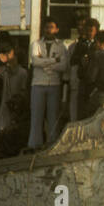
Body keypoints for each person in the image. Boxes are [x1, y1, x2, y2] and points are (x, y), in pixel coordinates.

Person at [29, 18, 68, 149]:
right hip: (38, 84)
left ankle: (52, 146)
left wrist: (46, 64)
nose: (49, 30)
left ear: (56, 29)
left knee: (53, 118)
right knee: (36, 117)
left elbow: (63, 66)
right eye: (46, 27)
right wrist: (54, 60)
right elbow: (35, 62)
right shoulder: (36, 44)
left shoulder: (61, 46)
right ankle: (34, 146)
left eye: (51, 27)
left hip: (54, 84)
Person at [69, 17, 100, 121]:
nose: (89, 33)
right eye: (87, 30)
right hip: (82, 80)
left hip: (94, 81)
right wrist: (81, 59)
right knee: (81, 108)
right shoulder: (80, 44)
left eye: (91, 31)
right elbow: (73, 60)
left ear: (96, 31)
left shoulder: (98, 44)